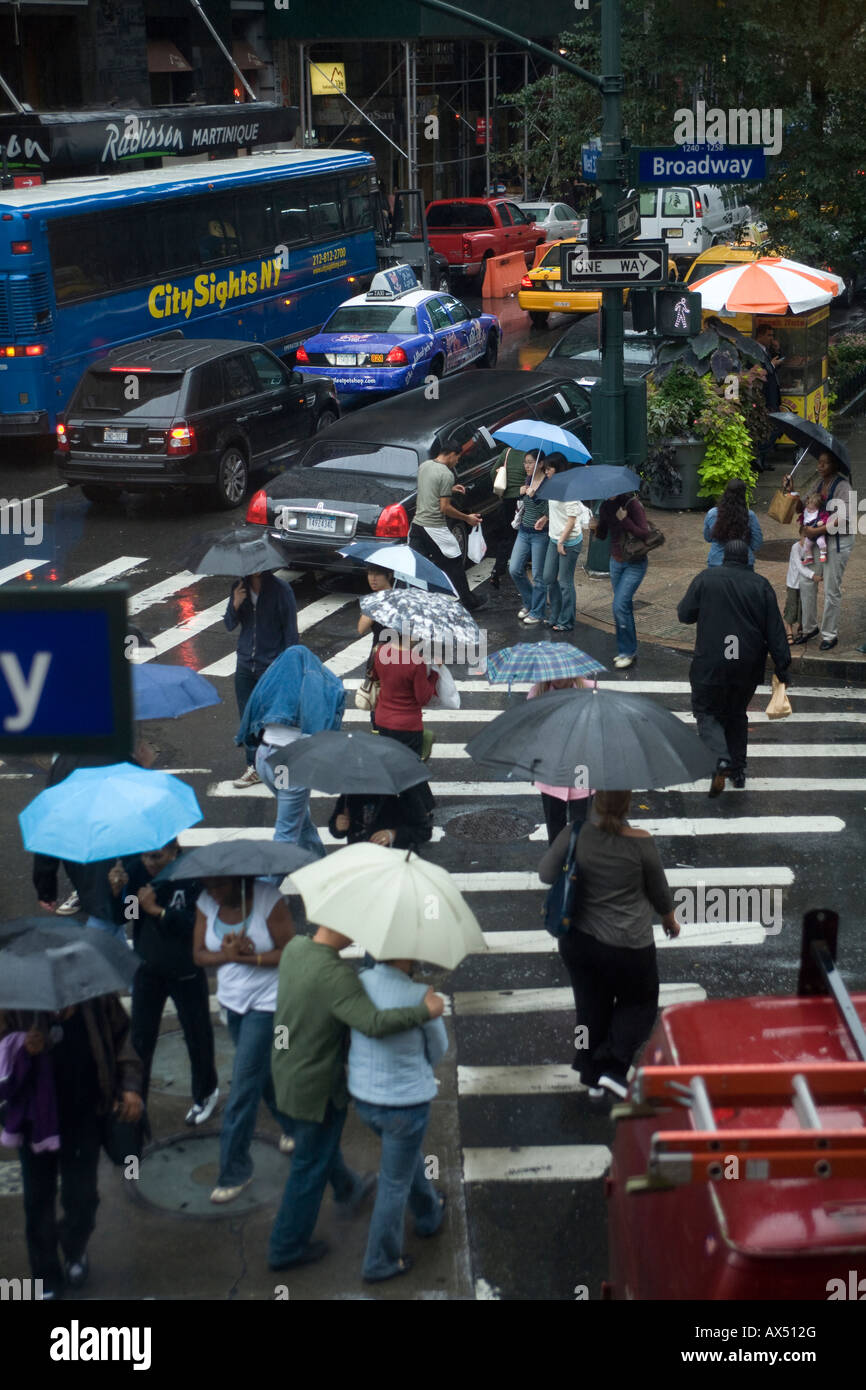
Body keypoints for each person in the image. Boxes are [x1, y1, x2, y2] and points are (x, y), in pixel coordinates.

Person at [268, 925, 445, 1270]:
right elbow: (374, 1023)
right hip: (317, 1091)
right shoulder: (337, 977)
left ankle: (349, 1188)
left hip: (285, 1074)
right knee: (308, 1167)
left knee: (317, 1150)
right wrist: (425, 1010)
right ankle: (285, 1247)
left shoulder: (295, 949)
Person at [538, 790, 679, 1101]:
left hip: (579, 942)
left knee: (590, 1008)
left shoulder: (574, 834)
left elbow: (546, 874)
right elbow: (659, 891)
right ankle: (613, 1067)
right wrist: (669, 919)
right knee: (639, 1004)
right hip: (629, 945)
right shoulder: (641, 841)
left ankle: (590, 1074)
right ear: (627, 805)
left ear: (595, 803)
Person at [0, 994, 143, 1299]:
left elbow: (123, 1038)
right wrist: (20, 1044)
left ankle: (73, 1247)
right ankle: (46, 1277)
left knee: (83, 1200)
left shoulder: (94, 994)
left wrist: (130, 1086)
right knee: (38, 1203)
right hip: (34, 1123)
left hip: (85, 1117)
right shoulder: (13, 999)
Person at [193, 876, 296, 1203]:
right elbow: (198, 955)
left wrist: (249, 958)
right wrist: (227, 954)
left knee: (241, 1088)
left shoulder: (269, 899)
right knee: (260, 1076)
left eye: (217, 886)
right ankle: (295, 1126)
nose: (211, 892)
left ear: (237, 881)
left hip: (267, 1004)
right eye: (207, 886)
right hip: (231, 1003)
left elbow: (290, 951)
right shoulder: (206, 903)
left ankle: (235, 1170)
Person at [347, 955, 448, 1281]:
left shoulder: (357, 984)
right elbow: (438, 1049)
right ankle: (379, 1260)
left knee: (401, 1160)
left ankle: (429, 1212)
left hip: (364, 1099)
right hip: (405, 1104)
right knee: (393, 1184)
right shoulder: (421, 996)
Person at [106, 841, 219, 1126]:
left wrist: (160, 911)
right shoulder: (135, 871)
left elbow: (200, 925)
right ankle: (136, 1101)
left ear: (174, 851)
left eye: (156, 856)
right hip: (148, 968)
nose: (149, 862)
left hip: (186, 969)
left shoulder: (193, 874)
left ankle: (205, 1092)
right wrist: (118, 893)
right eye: (144, 855)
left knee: (197, 1035)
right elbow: (126, 917)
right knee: (141, 1039)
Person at [677, 537, 791, 795]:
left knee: (706, 712)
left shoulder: (706, 579)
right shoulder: (761, 585)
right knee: (737, 714)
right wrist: (782, 667)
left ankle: (720, 758)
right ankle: (738, 771)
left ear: (724, 557)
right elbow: (775, 631)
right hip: (747, 664)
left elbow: (684, 614)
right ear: (748, 559)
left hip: (710, 662)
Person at [236, 646, 345, 857]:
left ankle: (319, 865)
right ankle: (264, 887)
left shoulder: (273, 685)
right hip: (288, 766)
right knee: (286, 835)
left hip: (264, 758)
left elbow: (251, 712)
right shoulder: (312, 691)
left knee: (299, 818)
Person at [225, 570, 298, 789]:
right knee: (248, 716)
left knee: (274, 718)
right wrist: (236, 604)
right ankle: (254, 766)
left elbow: (291, 632)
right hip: (245, 663)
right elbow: (229, 624)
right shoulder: (239, 587)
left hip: (272, 664)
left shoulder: (281, 590)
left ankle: (279, 763)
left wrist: (288, 666)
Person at [783, 450, 854, 652]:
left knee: (832, 588)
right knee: (806, 580)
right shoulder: (819, 484)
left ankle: (830, 634)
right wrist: (792, 491)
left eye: (824, 463)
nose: (819, 466)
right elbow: (801, 508)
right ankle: (809, 627)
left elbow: (845, 517)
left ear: (835, 465)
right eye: (819, 463)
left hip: (838, 541)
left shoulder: (844, 486)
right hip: (818, 540)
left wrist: (816, 530)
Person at [408, 436, 486, 612]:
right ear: (452, 454)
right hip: (435, 528)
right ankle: (469, 601)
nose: (457, 462)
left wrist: (449, 490)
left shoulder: (424, 466)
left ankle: (410, 603)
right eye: (458, 458)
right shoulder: (446, 474)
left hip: (417, 526)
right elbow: (445, 508)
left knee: (415, 566)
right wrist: (467, 518)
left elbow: (429, 488)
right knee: (454, 564)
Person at [528, 678, 594, 843]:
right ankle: (558, 865)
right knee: (555, 829)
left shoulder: (590, 690)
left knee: (580, 831)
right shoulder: (538, 693)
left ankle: (577, 865)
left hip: (582, 769)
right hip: (551, 770)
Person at [591, 491, 652, 669]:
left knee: (619, 605)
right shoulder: (604, 506)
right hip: (616, 561)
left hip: (635, 563)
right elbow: (603, 534)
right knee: (623, 606)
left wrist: (624, 519)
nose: (608, 493)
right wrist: (594, 527)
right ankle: (629, 650)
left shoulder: (632, 504)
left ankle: (627, 652)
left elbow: (644, 533)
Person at [540, 454, 593, 633]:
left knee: (565, 581)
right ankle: (555, 614)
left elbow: (571, 520)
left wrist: (561, 541)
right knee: (548, 577)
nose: (546, 471)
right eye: (545, 468)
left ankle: (567, 620)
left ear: (559, 469)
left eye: (549, 468)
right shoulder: (552, 485)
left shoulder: (569, 488)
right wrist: (545, 518)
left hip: (568, 541)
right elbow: (557, 510)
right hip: (554, 538)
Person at [372, 634, 439, 758]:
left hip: (382, 719)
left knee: (389, 763)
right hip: (408, 725)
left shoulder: (381, 651)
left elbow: (375, 677)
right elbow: (423, 698)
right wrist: (434, 674)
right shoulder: (416, 661)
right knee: (411, 770)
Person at [507, 450, 550, 625]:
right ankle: (531, 602)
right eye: (525, 462)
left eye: (530, 462)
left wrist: (535, 496)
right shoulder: (528, 480)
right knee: (514, 569)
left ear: (540, 464)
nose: (526, 466)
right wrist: (522, 492)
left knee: (538, 576)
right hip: (524, 531)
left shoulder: (548, 484)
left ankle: (538, 612)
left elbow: (550, 511)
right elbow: (524, 504)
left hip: (540, 534)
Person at [329, 782, 434, 850]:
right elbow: (337, 829)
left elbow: (423, 831)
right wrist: (338, 826)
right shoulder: (351, 791)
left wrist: (393, 834)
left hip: (394, 860)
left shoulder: (405, 789)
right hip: (360, 861)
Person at [489, 446, 527, 590]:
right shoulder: (530, 454)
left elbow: (493, 472)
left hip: (507, 499)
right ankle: (521, 565)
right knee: (523, 534)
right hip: (522, 499)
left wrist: (503, 490)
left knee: (507, 536)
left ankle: (497, 569)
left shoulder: (507, 451)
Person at [703, 478, 763, 567]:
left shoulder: (712, 513)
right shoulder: (750, 515)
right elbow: (757, 543)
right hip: (744, 561)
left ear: (726, 492)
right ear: (743, 495)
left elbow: (708, 537)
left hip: (717, 561)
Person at [783, 532, 823, 643]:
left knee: (802, 606)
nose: (806, 539)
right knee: (792, 605)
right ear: (800, 535)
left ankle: (802, 627)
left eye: (809, 537)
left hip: (804, 584)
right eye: (804, 536)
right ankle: (789, 629)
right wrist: (813, 575)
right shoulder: (795, 547)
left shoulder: (812, 548)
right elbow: (799, 566)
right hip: (793, 583)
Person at [754, 323, 783, 472]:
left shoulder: (767, 350)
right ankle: (759, 456)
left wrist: (777, 350)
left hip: (772, 395)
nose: (771, 339)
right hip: (764, 396)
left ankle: (762, 459)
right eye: (769, 335)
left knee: (774, 427)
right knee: (773, 427)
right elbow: (759, 372)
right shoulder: (754, 351)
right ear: (760, 335)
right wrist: (771, 365)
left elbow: (777, 363)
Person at [800, 492, 829, 564]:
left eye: (812, 509)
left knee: (821, 542)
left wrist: (822, 521)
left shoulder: (820, 512)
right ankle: (810, 558)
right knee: (806, 545)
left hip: (818, 533)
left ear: (817, 507)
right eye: (808, 508)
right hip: (809, 534)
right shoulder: (806, 511)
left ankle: (823, 554)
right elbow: (803, 519)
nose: (809, 510)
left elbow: (826, 517)